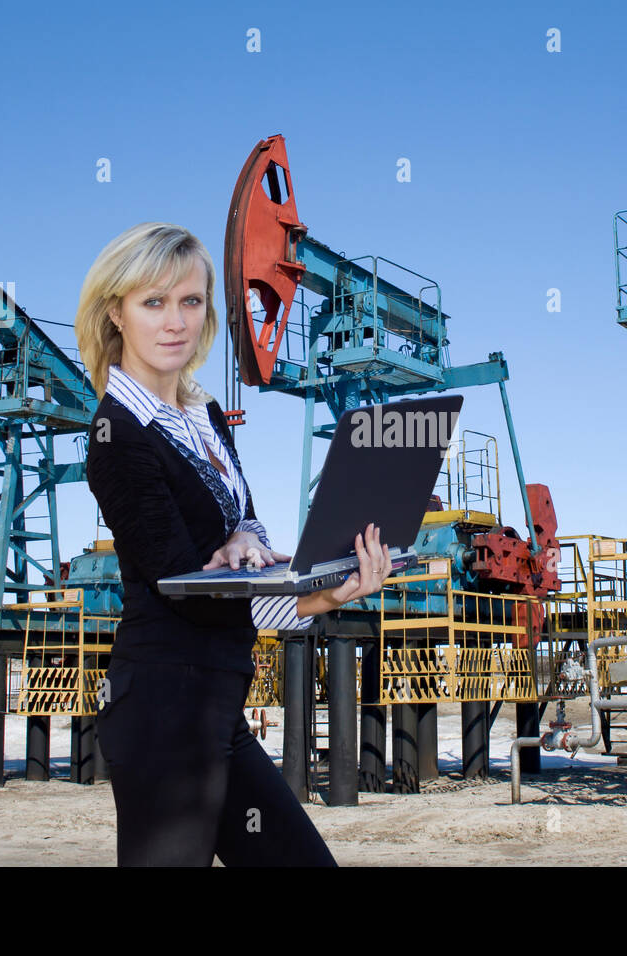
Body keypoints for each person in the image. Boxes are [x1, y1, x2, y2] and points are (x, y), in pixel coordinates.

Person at [75, 221, 391, 866]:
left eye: (190, 302)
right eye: (152, 302)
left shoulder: (206, 418)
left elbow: (245, 550)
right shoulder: (117, 435)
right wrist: (280, 581)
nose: (175, 322)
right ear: (116, 313)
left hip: (216, 709)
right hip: (164, 712)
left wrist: (318, 581)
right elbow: (182, 587)